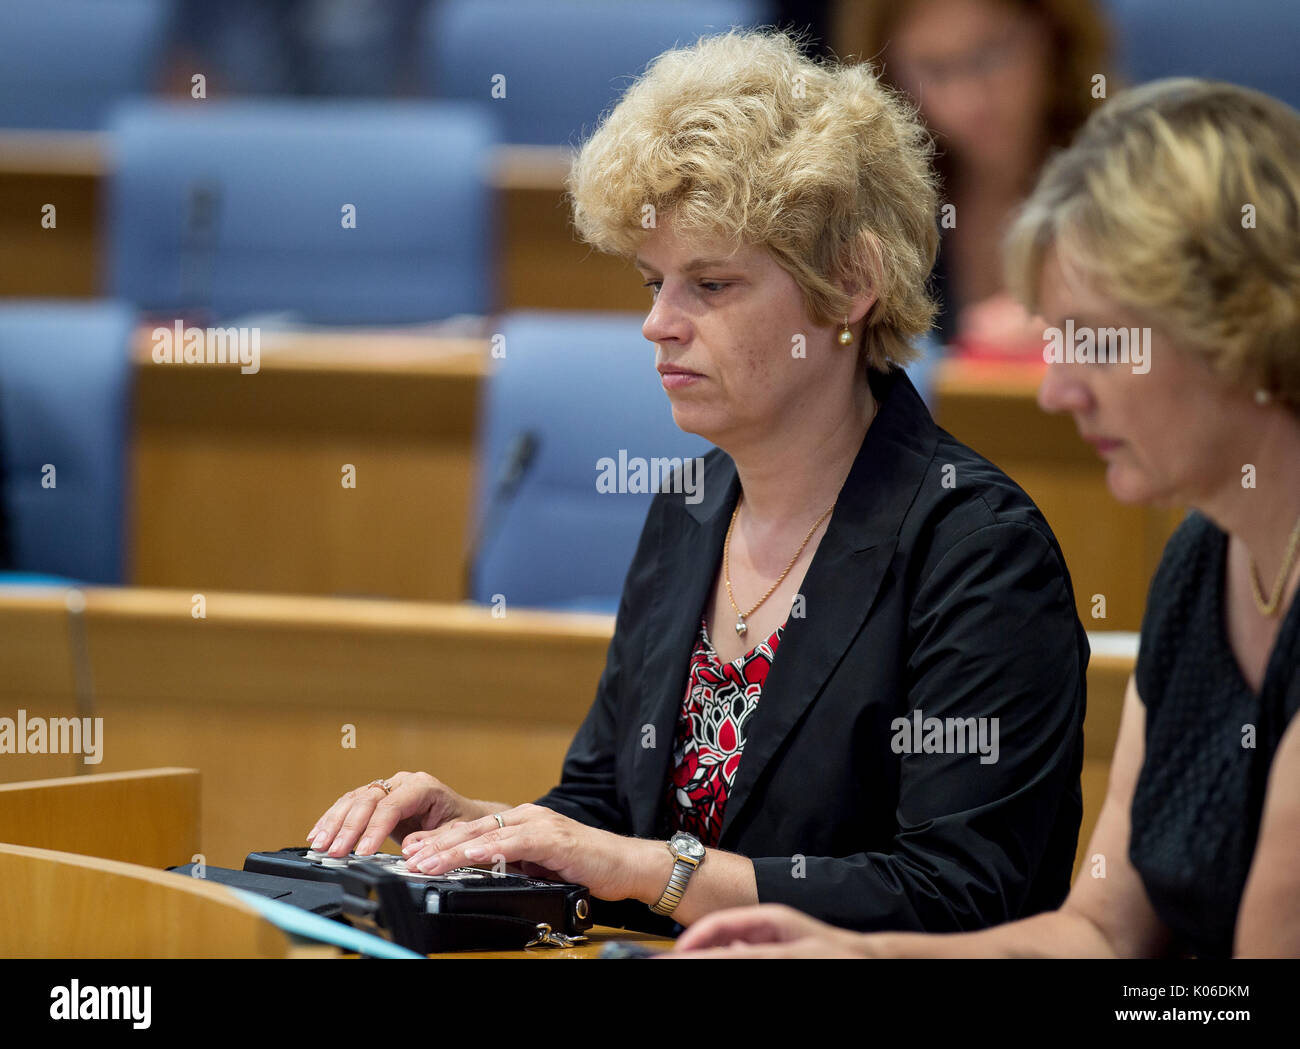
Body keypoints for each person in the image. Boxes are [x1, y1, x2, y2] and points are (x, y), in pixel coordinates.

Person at [307, 29, 1088, 935]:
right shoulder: (689, 507)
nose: (657, 325)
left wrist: (652, 870)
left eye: (711, 285)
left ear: (850, 285)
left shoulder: (977, 549)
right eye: (653, 282)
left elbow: (956, 893)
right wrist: (483, 831)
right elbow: (604, 810)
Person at [673, 78, 1300, 958]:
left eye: (1099, 340)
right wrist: (854, 952)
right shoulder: (1205, 558)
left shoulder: (989, 541)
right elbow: (1101, 935)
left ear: (1241, 324)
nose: (1056, 387)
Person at [835, 0, 1112, 352]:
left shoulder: (1133, 174)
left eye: (990, 55)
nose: (969, 101)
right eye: (934, 69)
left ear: (1053, 34)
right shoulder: (882, 200)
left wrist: (1096, 328)